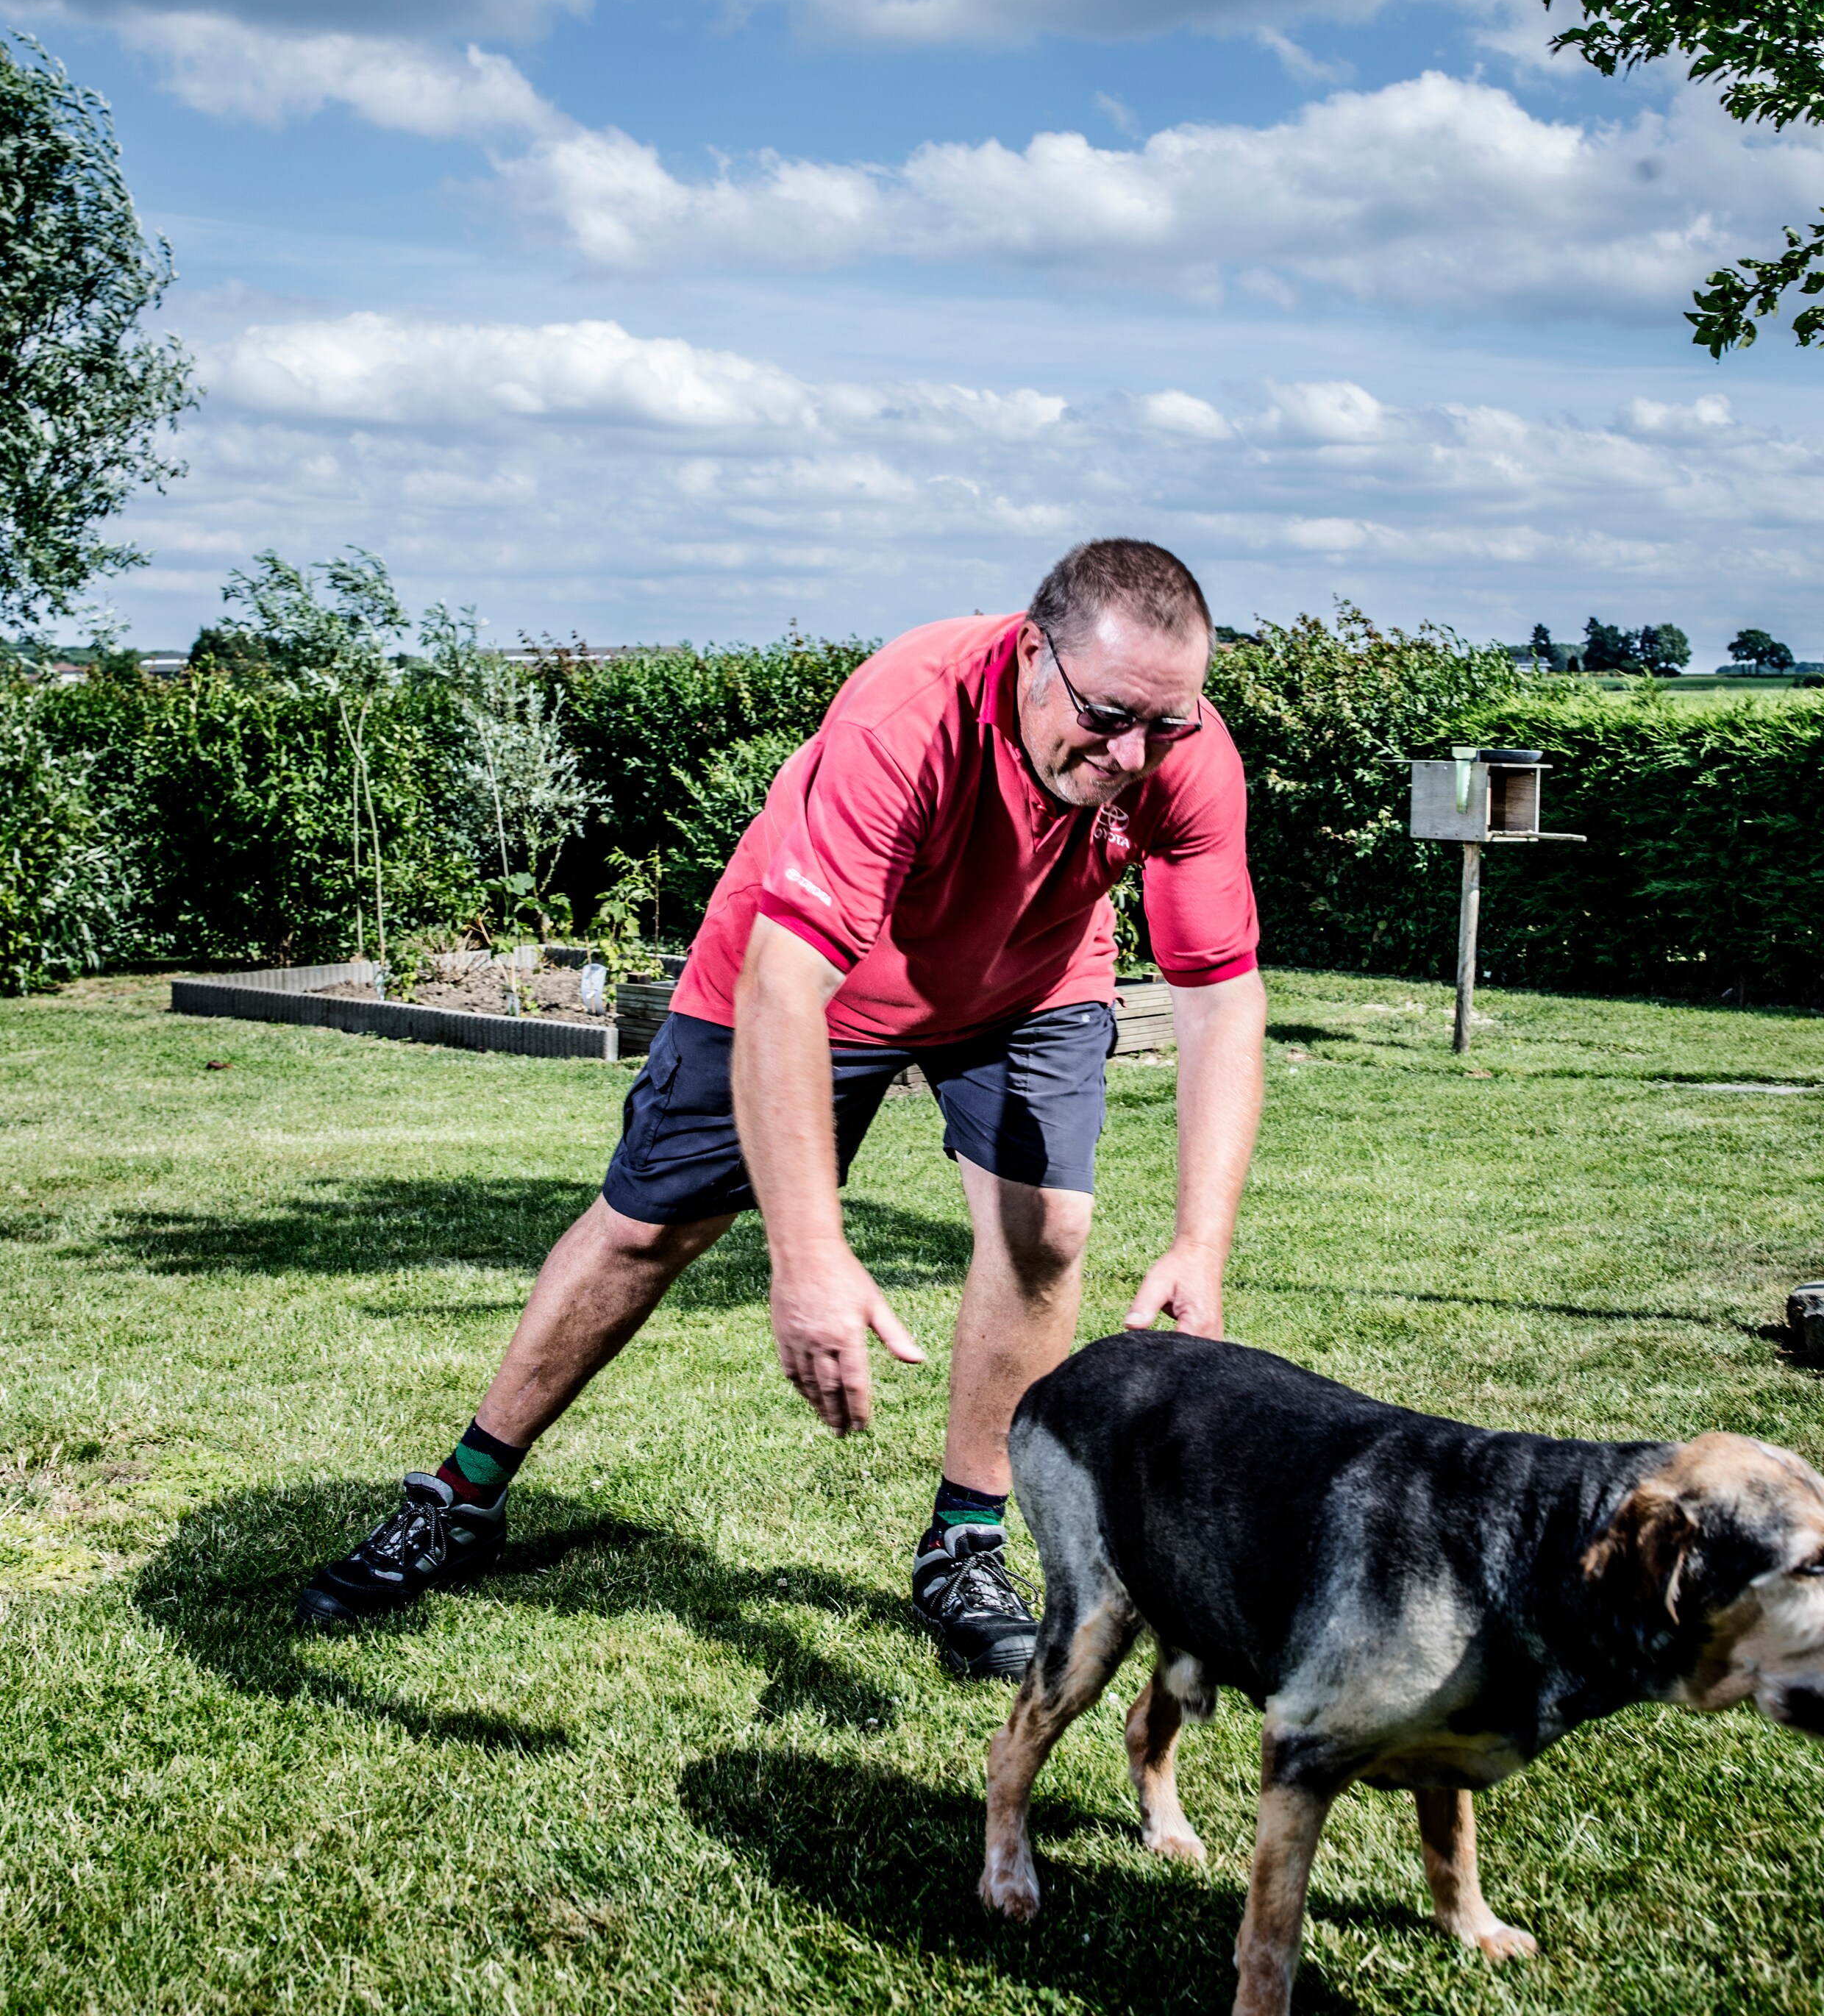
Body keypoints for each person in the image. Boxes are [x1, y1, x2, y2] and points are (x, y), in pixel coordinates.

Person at [297, 537, 1267, 1678]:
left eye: (1166, 725)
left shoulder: (1181, 754)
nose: (1132, 754)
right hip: (808, 977)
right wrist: (808, 1257)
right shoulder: (904, 716)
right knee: (651, 1227)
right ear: (1032, 650)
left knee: (1045, 1232)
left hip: (1030, 979)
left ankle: (963, 1545)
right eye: (1108, 718)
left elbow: (1219, 995)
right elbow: (786, 984)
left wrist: (1203, 1242)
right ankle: (463, 1493)